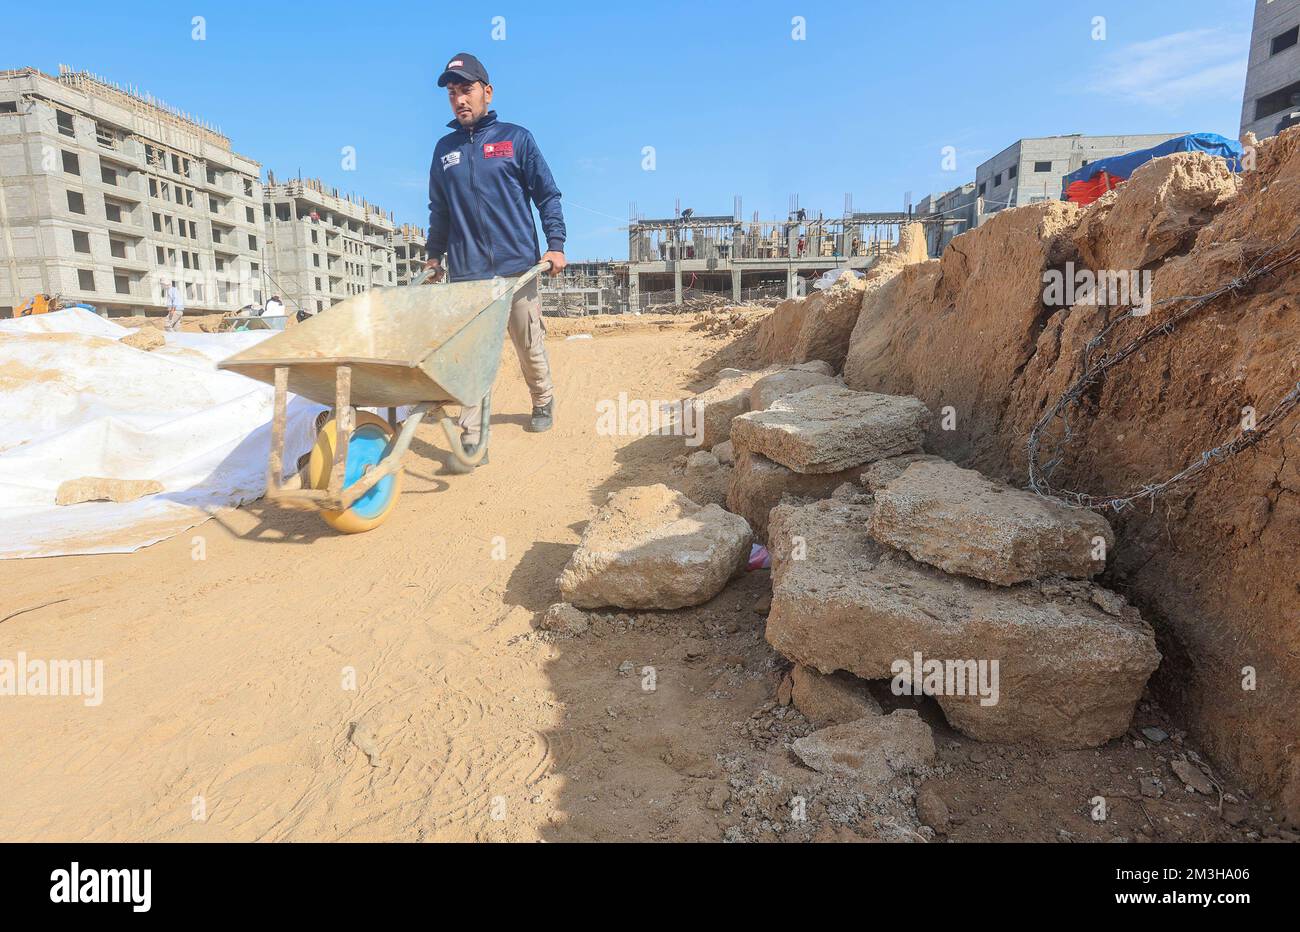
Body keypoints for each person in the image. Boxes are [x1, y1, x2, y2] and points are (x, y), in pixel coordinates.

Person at [423, 52, 566, 467]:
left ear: (486, 91)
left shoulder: (516, 139)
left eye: (465, 89)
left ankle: (542, 401)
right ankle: (473, 437)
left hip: (518, 267)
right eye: (452, 93)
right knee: (473, 357)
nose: (459, 99)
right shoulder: (443, 151)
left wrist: (555, 243)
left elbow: (547, 194)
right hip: (467, 275)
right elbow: (440, 210)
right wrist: (434, 257)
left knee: (527, 343)